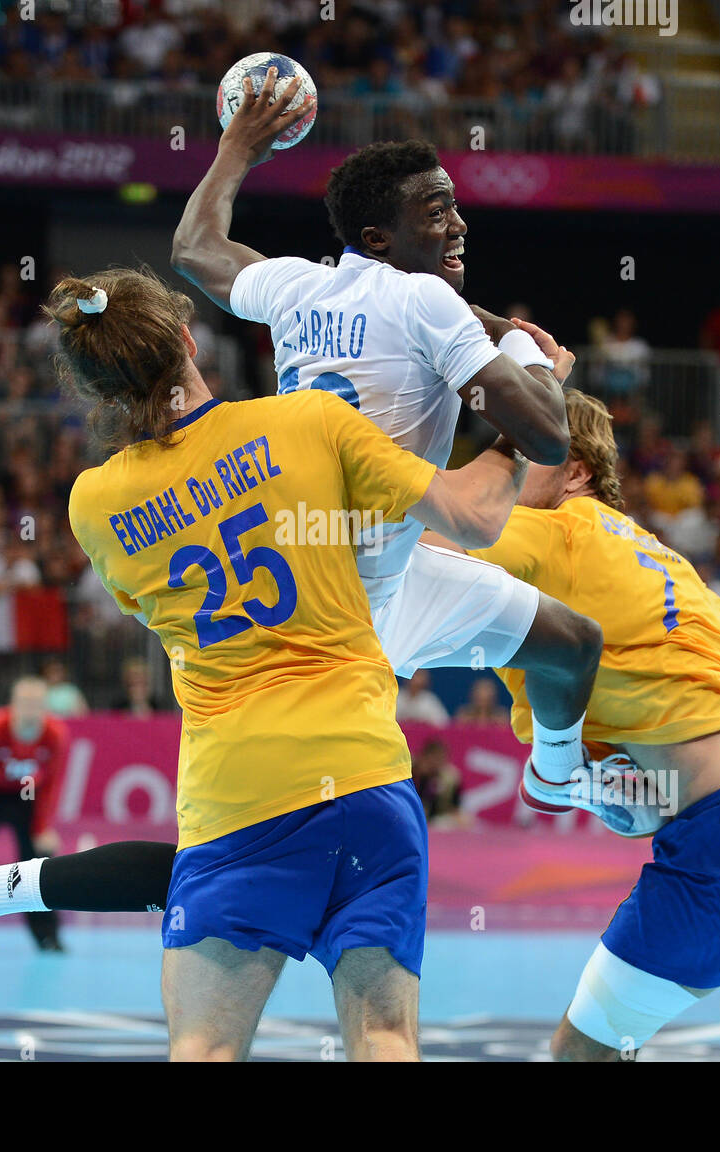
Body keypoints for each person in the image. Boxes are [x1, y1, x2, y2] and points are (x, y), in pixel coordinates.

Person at [0, 265, 528, 1061]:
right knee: (386, 1038)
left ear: (99, 392)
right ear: (189, 338)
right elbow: (477, 512)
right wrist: (526, 402)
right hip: (372, 781)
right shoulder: (310, 422)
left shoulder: (95, 507)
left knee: (208, 1049)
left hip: (240, 796)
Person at [171, 66, 619, 831]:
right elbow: (546, 431)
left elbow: (195, 247)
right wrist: (536, 355)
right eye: (437, 212)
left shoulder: (298, 287)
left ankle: (554, 777)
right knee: (306, 836)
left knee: (570, 640)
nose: (459, 224)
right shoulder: (422, 299)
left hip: (321, 569)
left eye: (455, 208)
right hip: (359, 605)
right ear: (379, 237)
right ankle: (556, 767)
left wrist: (238, 147)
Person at [441, 385, 720, 1061]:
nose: (503, 473)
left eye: (522, 453)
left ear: (575, 470)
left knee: (582, 1053)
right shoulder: (663, 558)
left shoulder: (556, 530)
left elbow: (428, 535)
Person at [0, 677, 70, 951]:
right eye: (25, 703)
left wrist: (42, 827)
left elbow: (52, 786)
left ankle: (47, 936)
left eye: (36, 704)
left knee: (40, 864)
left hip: (28, 799)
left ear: (45, 707)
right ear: (13, 705)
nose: (30, 709)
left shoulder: (55, 735)